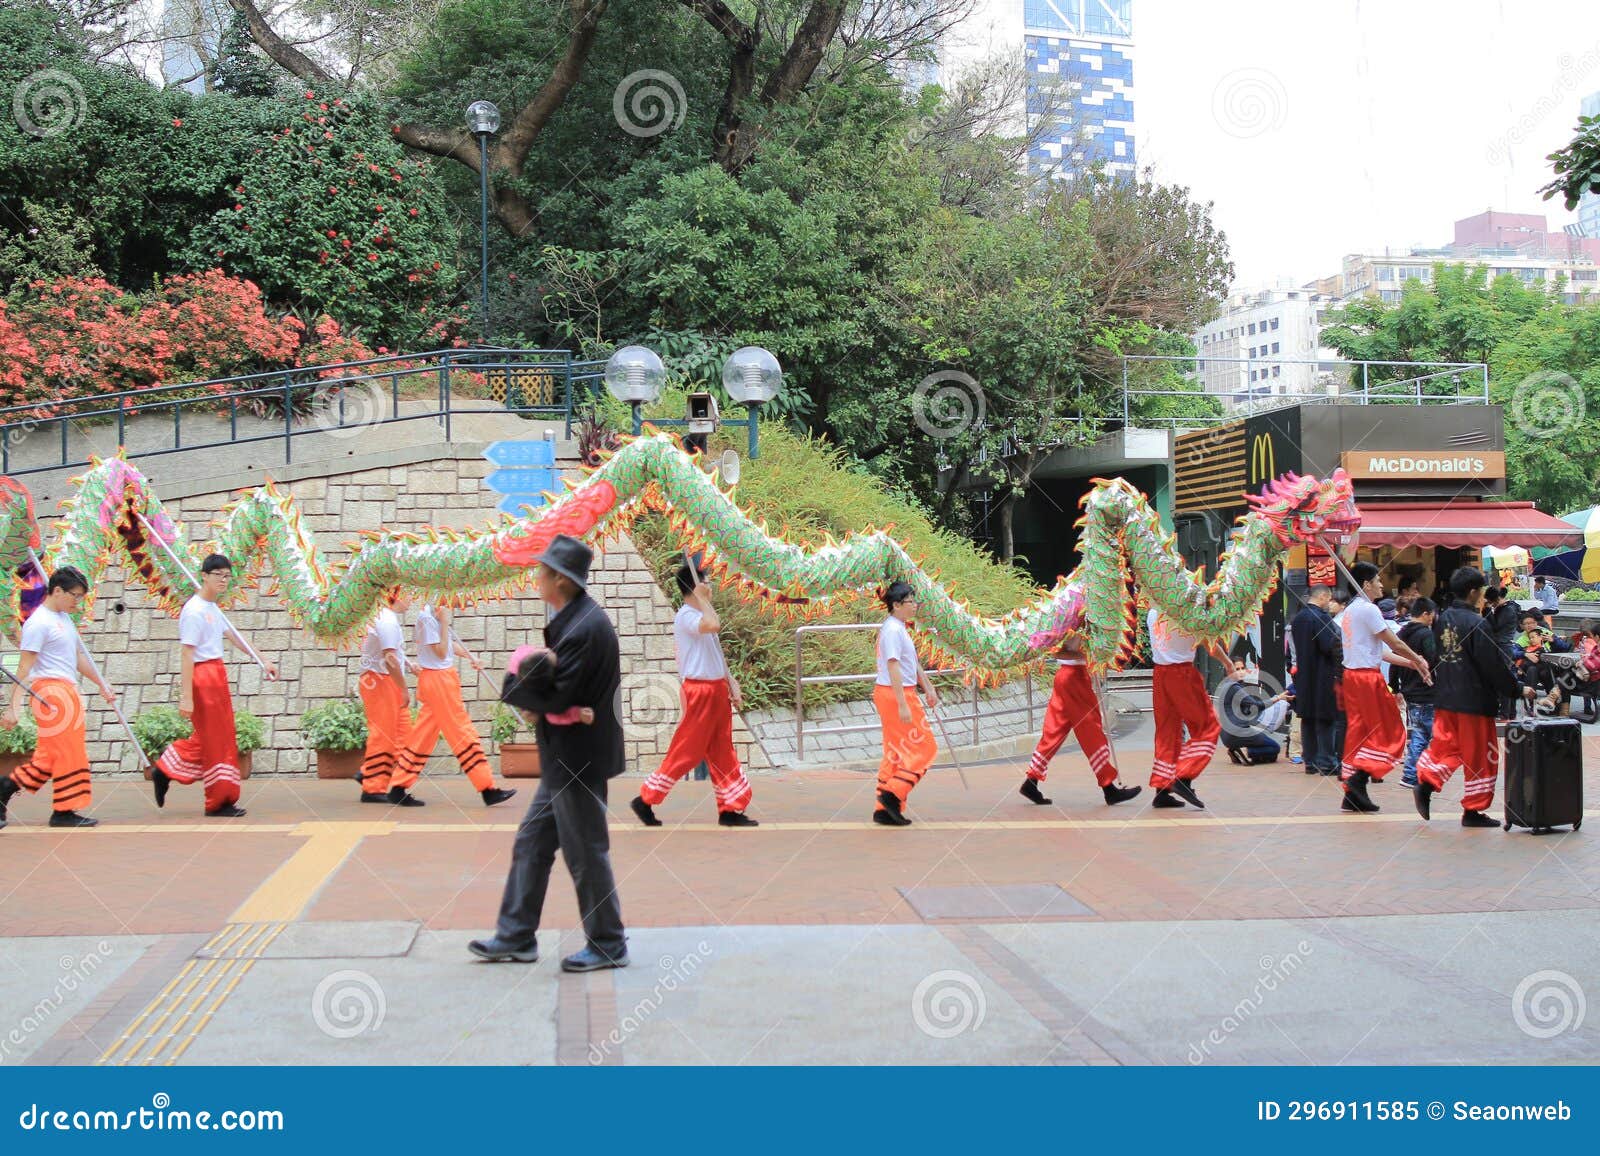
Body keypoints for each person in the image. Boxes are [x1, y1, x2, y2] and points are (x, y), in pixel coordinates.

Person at [472, 534, 629, 971]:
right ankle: (516, 936)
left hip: (578, 763)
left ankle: (608, 943)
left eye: (542, 571)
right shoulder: (576, 619)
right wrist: (539, 696)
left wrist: (516, 686)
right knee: (532, 842)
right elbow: (558, 699)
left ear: (559, 579)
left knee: (585, 852)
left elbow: (559, 698)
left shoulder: (582, 628)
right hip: (566, 759)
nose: (537, 577)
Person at [152, 554, 279, 817]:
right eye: (218, 574)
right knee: (214, 739)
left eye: (227, 576)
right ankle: (216, 800)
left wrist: (262, 659)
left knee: (221, 736)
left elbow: (235, 637)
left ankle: (168, 770)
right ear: (204, 576)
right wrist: (186, 697)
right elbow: (187, 654)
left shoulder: (213, 609)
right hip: (203, 677)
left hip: (217, 674)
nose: (223, 580)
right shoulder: (194, 611)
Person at [632, 562, 757, 827]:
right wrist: (701, 597)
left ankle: (730, 809)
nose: (710, 587)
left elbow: (715, 654)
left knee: (722, 749)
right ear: (695, 587)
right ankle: (646, 798)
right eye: (706, 582)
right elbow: (713, 624)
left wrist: (730, 680)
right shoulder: (687, 616)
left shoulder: (698, 613)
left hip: (715, 689)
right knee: (687, 750)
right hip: (700, 690)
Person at [0, 567, 117, 830]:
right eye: (74, 596)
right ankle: (62, 809)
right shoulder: (38, 623)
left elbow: (75, 659)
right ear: (57, 591)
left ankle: (9, 788)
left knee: (57, 753)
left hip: (67, 690)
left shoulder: (64, 619)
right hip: (49, 692)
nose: (77, 601)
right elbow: (24, 667)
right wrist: (13, 708)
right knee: (63, 751)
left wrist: (102, 682)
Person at [1416, 567, 1521, 827]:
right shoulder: (1477, 623)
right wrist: (1516, 689)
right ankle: (1473, 811)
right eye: (1482, 591)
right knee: (1481, 756)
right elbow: (1492, 665)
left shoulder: (1442, 619)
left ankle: (1427, 781)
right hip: (1473, 700)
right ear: (1474, 592)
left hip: (1446, 696)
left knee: (1447, 746)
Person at [387, 601, 515, 808]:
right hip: (439, 682)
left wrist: (470, 656)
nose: (462, 601)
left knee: (422, 736)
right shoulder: (428, 617)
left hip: (441, 679)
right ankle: (487, 788)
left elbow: (445, 647)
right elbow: (438, 651)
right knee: (462, 733)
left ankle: (398, 787)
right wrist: (445, 623)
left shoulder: (433, 614)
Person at [1337, 562, 1430, 813]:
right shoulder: (1368, 610)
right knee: (1388, 729)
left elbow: (1382, 652)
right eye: (1377, 580)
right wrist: (1418, 659)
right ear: (1365, 584)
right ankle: (1358, 779)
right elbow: (1394, 643)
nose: (1381, 584)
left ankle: (1355, 789)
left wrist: (1413, 663)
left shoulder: (1352, 611)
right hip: (1366, 678)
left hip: (1354, 677)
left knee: (1361, 732)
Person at [1019, 632, 1141, 807]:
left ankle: (1031, 782)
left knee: (1054, 731)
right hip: (1074, 678)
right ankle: (1109, 788)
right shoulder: (1077, 619)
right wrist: (1092, 655)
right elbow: (1062, 651)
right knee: (1091, 730)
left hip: (1067, 676)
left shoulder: (1069, 615)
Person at [1146, 606, 1232, 809]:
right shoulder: (1184, 610)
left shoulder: (1153, 611)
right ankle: (1182, 777)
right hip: (1181, 673)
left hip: (1160, 673)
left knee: (1167, 732)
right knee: (1207, 727)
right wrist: (1227, 662)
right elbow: (1206, 641)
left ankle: (1162, 789)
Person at [871, 581, 939, 826]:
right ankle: (892, 795)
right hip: (896, 694)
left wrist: (928, 687)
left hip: (897, 692)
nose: (914, 605)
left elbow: (912, 662)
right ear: (896, 605)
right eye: (910, 601)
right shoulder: (892, 630)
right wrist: (902, 703)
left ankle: (884, 808)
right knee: (925, 748)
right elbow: (893, 665)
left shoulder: (899, 628)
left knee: (896, 751)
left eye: (914, 600)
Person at [356, 590, 412, 803]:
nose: (410, 599)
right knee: (384, 735)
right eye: (408, 595)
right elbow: (389, 657)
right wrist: (404, 688)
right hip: (380, 680)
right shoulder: (386, 619)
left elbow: (393, 652)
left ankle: (369, 773)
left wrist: (408, 664)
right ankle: (372, 787)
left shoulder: (386, 617)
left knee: (404, 735)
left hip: (384, 679)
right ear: (396, 596)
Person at [1289, 586, 1343, 777]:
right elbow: (1330, 646)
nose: (1329, 603)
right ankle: (1326, 762)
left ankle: (1310, 761)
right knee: (1325, 719)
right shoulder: (1321, 617)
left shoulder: (1298, 619)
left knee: (1308, 719)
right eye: (1328, 599)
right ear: (1322, 597)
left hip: (1304, 675)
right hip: (1323, 675)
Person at [1389, 597, 1438, 789]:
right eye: (1432, 614)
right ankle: (1411, 774)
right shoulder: (1425, 634)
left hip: (1409, 689)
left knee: (1420, 731)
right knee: (1422, 734)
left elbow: (1394, 661)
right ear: (1425, 613)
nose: (1433, 618)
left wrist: (1395, 687)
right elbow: (1433, 659)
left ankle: (1419, 772)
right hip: (1425, 689)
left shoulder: (1401, 633)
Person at [1220, 661, 1290, 765]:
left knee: (1271, 755)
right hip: (1238, 732)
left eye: (1242, 668)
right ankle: (1246, 751)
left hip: (1226, 736)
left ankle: (1237, 751)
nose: (1241, 672)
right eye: (1237, 669)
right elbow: (1255, 706)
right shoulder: (1234, 687)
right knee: (1274, 748)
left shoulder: (1226, 686)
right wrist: (1278, 698)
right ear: (1229, 671)